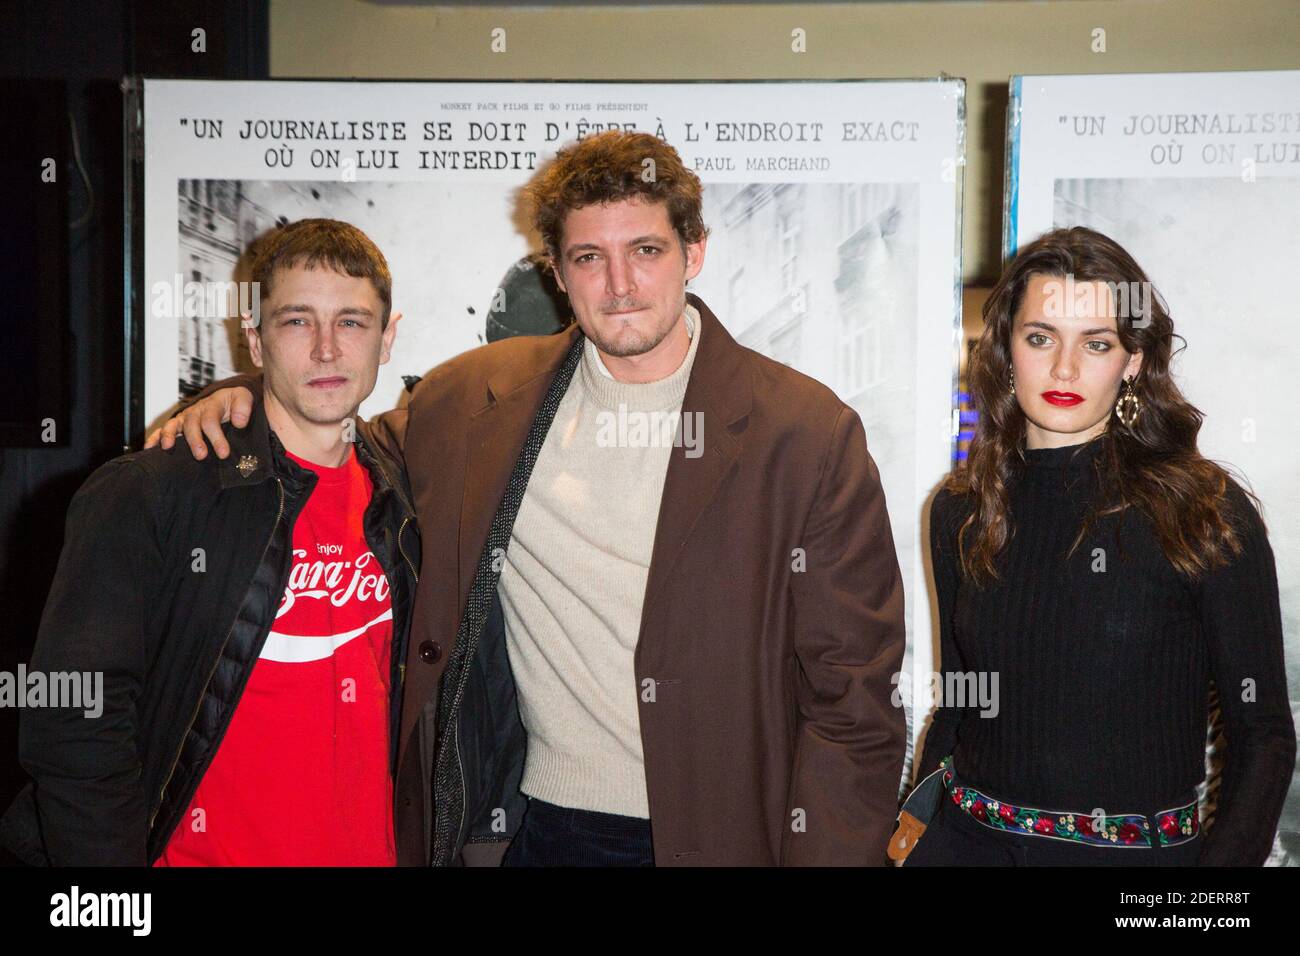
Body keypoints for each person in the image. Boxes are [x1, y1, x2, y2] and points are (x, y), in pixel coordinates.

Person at [148, 130, 909, 866]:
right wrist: (239, 396)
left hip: (736, 832)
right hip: (547, 832)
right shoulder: (482, 399)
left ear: (694, 254)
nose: (619, 285)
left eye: (645, 250)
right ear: (555, 270)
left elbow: (856, 706)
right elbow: (332, 429)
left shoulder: (804, 433)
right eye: (588, 257)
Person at [0, 219, 419, 865]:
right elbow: (74, 718)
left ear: (387, 338)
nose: (328, 350)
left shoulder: (403, 491)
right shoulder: (151, 491)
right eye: (297, 321)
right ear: (254, 339)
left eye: (353, 322)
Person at [905, 226, 1294, 866]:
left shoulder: (1203, 512)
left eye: (1096, 343)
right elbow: (960, 699)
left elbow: (1264, 735)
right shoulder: (960, 510)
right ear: (1006, 347)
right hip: (963, 845)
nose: (1064, 368)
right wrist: (917, 830)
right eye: (1040, 338)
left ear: (1133, 358)